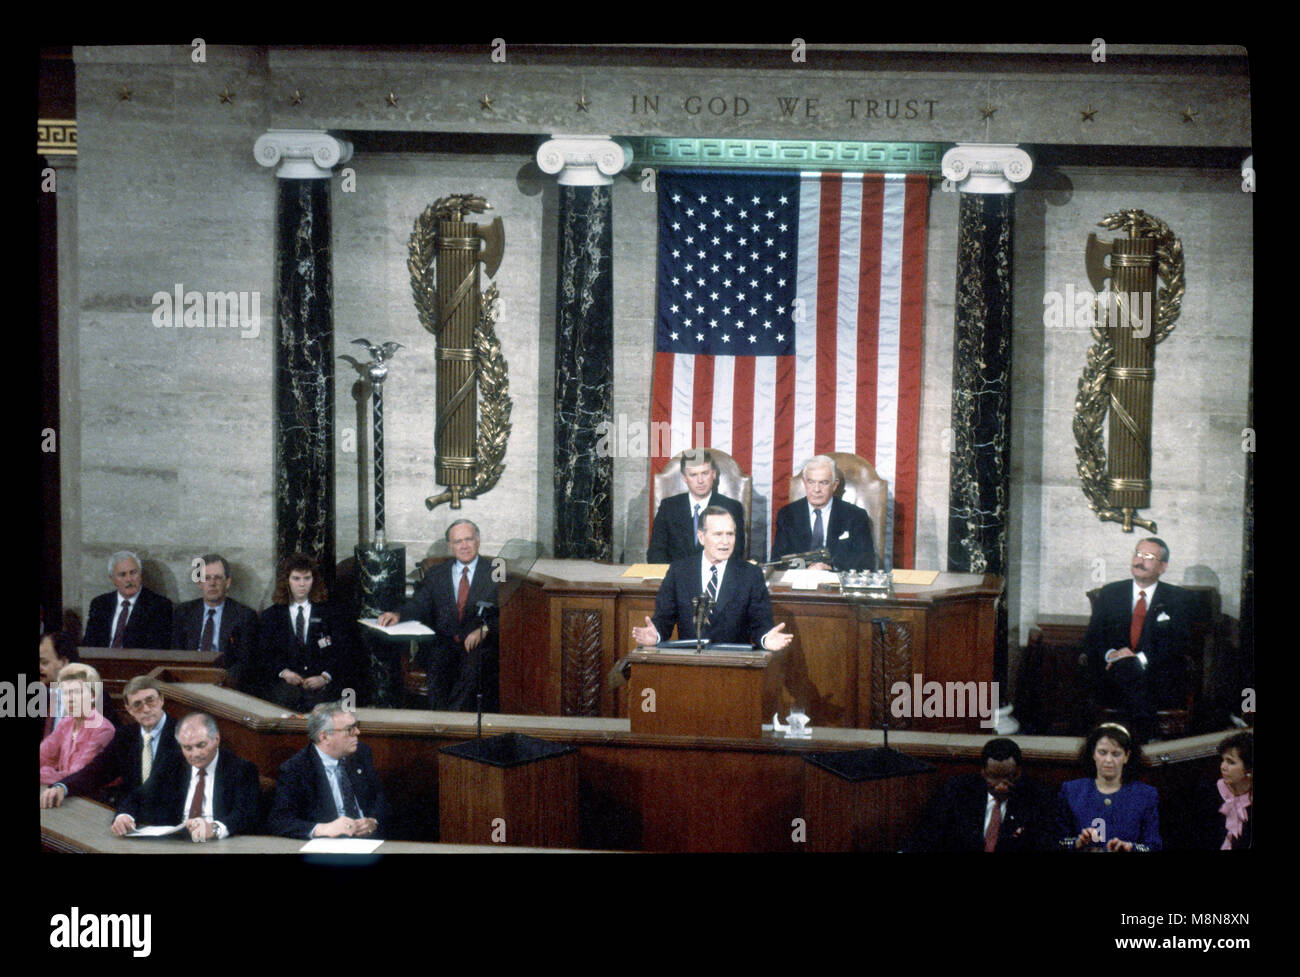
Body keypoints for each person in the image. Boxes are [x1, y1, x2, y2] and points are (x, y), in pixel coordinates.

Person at [377, 519, 499, 712]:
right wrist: (398, 615)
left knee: (472, 670)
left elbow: (507, 611)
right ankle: (439, 724)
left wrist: (484, 629)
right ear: (450, 546)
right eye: (458, 541)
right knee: (438, 666)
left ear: (478, 540)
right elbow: (419, 604)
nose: (464, 546)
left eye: (468, 539)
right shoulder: (436, 574)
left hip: (478, 645)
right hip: (444, 643)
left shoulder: (495, 573)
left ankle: (452, 726)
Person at [632, 507, 792, 651]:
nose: (725, 542)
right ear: (701, 537)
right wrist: (656, 635)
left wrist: (766, 639)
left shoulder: (750, 574)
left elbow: (761, 624)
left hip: (733, 666)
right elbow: (664, 620)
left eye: (730, 534)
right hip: (689, 664)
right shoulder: (679, 571)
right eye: (718, 534)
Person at [1084, 537, 1193, 742]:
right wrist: (1113, 654)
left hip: (1156, 676)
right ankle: (1145, 739)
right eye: (1138, 554)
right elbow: (1093, 638)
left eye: (1149, 557)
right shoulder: (1110, 593)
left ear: (1162, 567)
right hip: (1112, 673)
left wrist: (1137, 659)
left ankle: (1121, 743)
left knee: (1130, 670)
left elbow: (1177, 644)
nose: (1140, 560)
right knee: (1125, 670)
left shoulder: (1178, 598)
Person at [111, 712, 260, 841]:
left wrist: (214, 828)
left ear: (216, 739)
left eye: (201, 745)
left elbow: (245, 815)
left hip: (217, 844)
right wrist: (125, 816)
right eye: (187, 748)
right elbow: (140, 796)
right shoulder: (172, 763)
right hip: (176, 843)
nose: (195, 754)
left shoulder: (241, 769)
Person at [41, 675, 182, 809]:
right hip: (130, 814)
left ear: (161, 700)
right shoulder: (125, 736)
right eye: (137, 704)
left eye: (150, 700)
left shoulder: (183, 734)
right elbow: (96, 772)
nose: (145, 709)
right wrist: (62, 787)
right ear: (129, 709)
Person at [267, 702, 392, 840]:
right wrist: (321, 829)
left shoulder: (361, 753)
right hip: (328, 845)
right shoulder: (296, 768)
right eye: (349, 729)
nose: (357, 732)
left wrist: (373, 821)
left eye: (357, 726)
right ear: (324, 737)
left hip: (369, 841)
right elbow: (279, 821)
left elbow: (379, 798)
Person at [907, 737, 1055, 852]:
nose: (1001, 785)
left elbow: (1046, 844)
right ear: (983, 772)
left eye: (1009, 777)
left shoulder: (1037, 797)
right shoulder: (957, 791)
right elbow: (926, 837)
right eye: (994, 777)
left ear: (1019, 772)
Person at [257, 553, 355, 711]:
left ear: (314, 580)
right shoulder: (272, 616)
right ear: (287, 581)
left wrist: (325, 677)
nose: (302, 584)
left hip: (322, 686)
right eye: (296, 578)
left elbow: (343, 652)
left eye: (307, 578)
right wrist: (283, 672)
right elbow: (264, 654)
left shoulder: (331, 613)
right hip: (285, 686)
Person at [1057, 722, 1161, 851]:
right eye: (1102, 752)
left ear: (1126, 756)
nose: (1108, 760)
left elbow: (1153, 846)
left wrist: (1131, 848)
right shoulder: (1071, 791)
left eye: (1116, 754)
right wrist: (1077, 843)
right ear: (1093, 754)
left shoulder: (1146, 795)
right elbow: (1058, 841)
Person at [771, 455, 877, 571]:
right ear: (804, 483)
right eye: (811, 482)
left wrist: (831, 568)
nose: (816, 490)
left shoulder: (856, 516)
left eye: (824, 483)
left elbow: (866, 562)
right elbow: (777, 561)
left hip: (837, 581)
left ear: (834, 485)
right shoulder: (787, 514)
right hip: (798, 582)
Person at [172, 553, 259, 691]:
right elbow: (176, 654)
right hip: (189, 682)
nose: (212, 583)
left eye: (218, 578)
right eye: (206, 578)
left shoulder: (244, 615)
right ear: (199, 583)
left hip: (226, 683)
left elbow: (245, 661)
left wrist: (220, 680)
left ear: (228, 582)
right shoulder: (183, 612)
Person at [647, 449, 748, 563]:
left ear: (713, 474)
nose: (700, 481)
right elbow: (655, 553)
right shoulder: (668, 507)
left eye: (705, 473)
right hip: (675, 576)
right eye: (693, 475)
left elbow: (735, 553)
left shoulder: (731, 508)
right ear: (685, 478)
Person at [39, 663, 115, 786]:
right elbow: (43, 755)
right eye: (65, 693)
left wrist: (46, 772)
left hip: (91, 797)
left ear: (93, 696)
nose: (70, 699)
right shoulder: (66, 722)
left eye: (77, 692)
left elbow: (76, 775)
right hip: (63, 790)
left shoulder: (102, 729)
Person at [82, 551, 173, 650]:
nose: (129, 579)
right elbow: (89, 644)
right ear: (113, 579)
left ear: (140, 575)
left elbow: (157, 647)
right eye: (122, 575)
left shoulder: (159, 606)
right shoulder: (100, 604)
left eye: (133, 573)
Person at [1202, 731, 1252, 850]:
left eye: (1231, 762)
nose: (1223, 767)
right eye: (1223, 760)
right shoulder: (1209, 792)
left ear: (1249, 769)